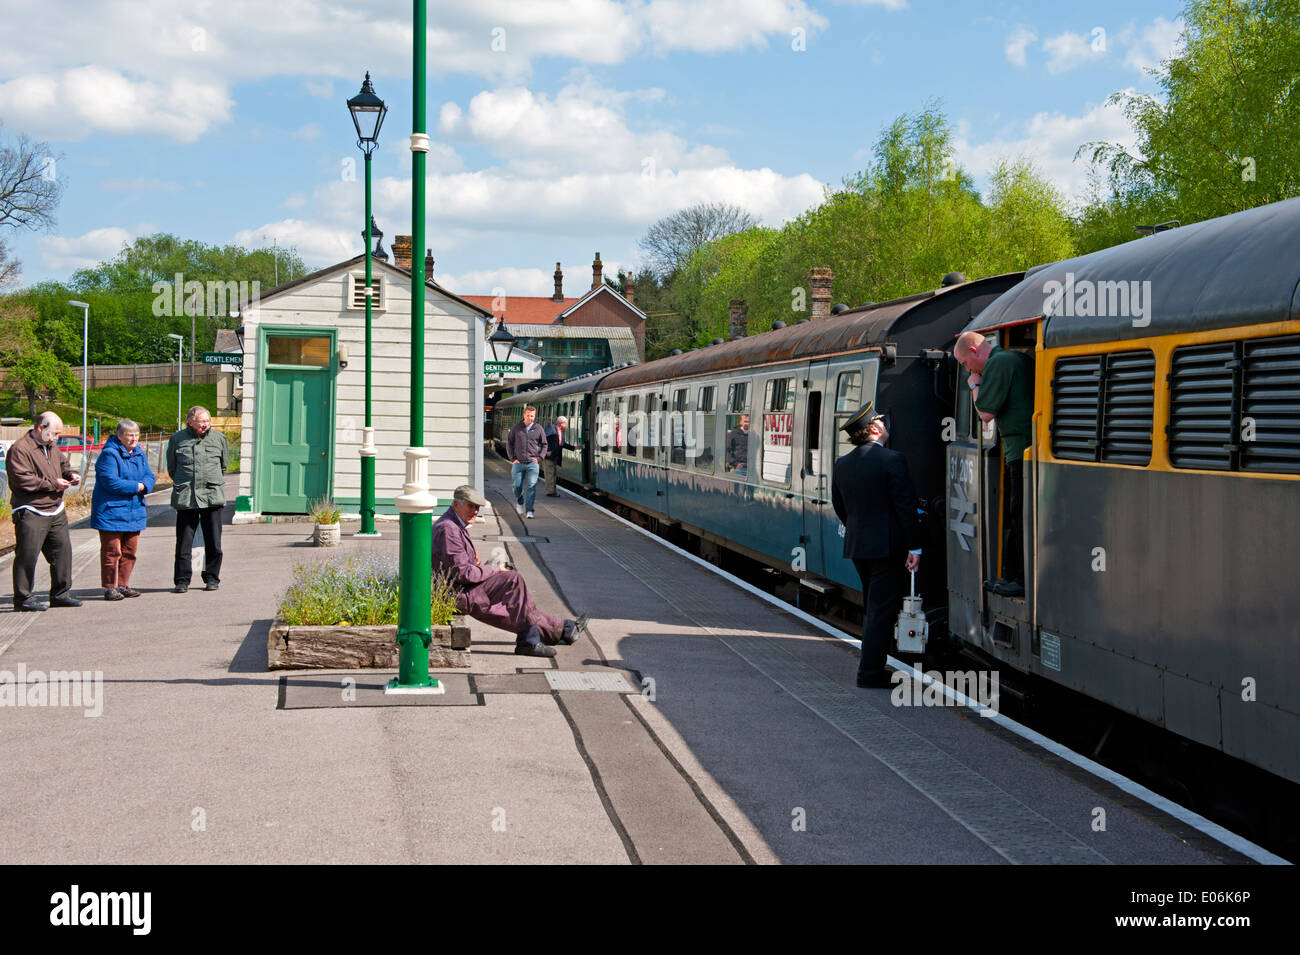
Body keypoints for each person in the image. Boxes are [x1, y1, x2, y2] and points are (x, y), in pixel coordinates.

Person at [432, 485, 588, 658]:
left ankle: (563, 630)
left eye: (477, 507)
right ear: (456, 505)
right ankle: (530, 641)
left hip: (458, 590)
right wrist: (493, 569)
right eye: (471, 506)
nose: (475, 511)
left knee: (519, 605)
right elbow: (463, 573)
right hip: (455, 595)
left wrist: (481, 565)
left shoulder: (453, 524)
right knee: (513, 581)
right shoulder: (449, 529)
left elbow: (459, 567)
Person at [831, 406, 922, 689]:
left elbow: (840, 506)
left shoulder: (842, 464)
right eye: (880, 422)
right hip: (887, 547)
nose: (884, 424)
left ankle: (873, 666)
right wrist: (914, 548)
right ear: (873, 429)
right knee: (881, 609)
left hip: (859, 546)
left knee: (874, 606)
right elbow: (905, 508)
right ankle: (870, 673)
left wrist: (860, 530)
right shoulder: (893, 460)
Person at [954, 330, 1033, 597]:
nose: (968, 369)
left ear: (975, 351)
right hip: (1019, 449)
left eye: (966, 363)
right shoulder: (1013, 360)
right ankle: (1012, 575)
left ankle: (1018, 579)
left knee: (1018, 514)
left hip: (1020, 451)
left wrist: (974, 385)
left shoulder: (1000, 362)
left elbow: (985, 414)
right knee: (1016, 514)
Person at [6, 412, 83, 611]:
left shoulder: (51, 447)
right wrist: (52, 484)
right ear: (41, 428)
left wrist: (70, 475)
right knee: (28, 555)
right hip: (31, 509)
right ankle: (23, 598)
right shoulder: (19, 449)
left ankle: (60, 593)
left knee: (62, 553)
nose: (57, 437)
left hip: (55, 509)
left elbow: (63, 465)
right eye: (55, 433)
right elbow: (23, 479)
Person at [90, 419, 156, 601]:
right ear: (120, 436)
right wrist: (137, 486)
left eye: (136, 435)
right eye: (130, 435)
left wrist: (145, 485)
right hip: (111, 511)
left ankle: (123, 584)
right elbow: (110, 482)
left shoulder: (139, 454)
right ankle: (110, 587)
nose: (134, 439)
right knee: (112, 551)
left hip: (134, 510)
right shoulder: (109, 455)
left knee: (129, 551)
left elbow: (149, 475)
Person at [167, 406, 228, 594]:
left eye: (207, 421)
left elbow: (223, 466)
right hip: (187, 497)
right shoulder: (177, 439)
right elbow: (172, 468)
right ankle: (182, 580)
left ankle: (212, 578)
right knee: (184, 542)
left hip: (212, 496)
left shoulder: (219, 439)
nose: (205, 425)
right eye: (201, 421)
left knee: (214, 542)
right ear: (190, 421)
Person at [506, 404, 545, 518]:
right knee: (516, 486)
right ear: (524, 415)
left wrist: (539, 458)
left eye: (532, 416)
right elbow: (509, 443)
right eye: (528, 416)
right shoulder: (516, 427)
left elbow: (544, 444)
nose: (530, 418)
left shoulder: (539, 428)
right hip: (518, 463)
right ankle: (520, 502)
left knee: (531, 487)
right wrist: (512, 458)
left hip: (533, 463)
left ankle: (529, 510)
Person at [542, 415, 579, 497]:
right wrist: (547, 450)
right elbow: (544, 439)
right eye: (565, 423)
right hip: (549, 456)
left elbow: (562, 444)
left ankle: (552, 491)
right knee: (549, 474)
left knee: (553, 474)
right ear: (561, 423)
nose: (566, 425)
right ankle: (550, 492)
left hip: (555, 456)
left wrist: (574, 448)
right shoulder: (551, 428)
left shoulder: (559, 431)